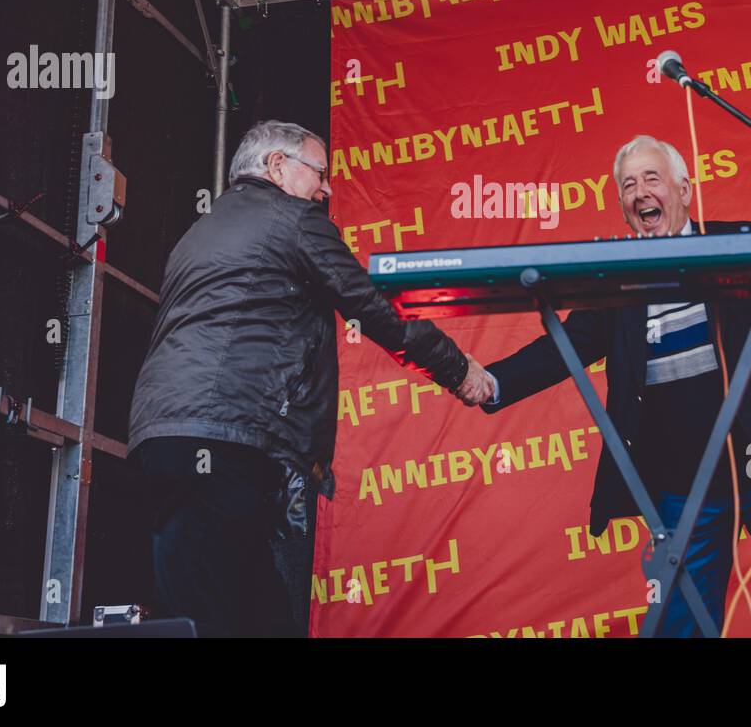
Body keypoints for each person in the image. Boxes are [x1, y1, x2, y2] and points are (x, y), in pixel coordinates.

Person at [470, 134, 751, 637]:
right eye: (628, 184)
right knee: (684, 622)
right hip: (680, 480)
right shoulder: (614, 281)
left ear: (684, 190)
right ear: (624, 207)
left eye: (652, 178)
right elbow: (563, 347)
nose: (640, 191)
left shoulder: (745, 246)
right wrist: (493, 382)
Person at [128, 120, 492, 636]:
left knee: (231, 609)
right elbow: (371, 309)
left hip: (160, 439)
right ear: (278, 166)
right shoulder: (292, 218)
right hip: (229, 438)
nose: (325, 189)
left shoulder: (197, 234)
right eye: (319, 173)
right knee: (220, 617)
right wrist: (457, 369)